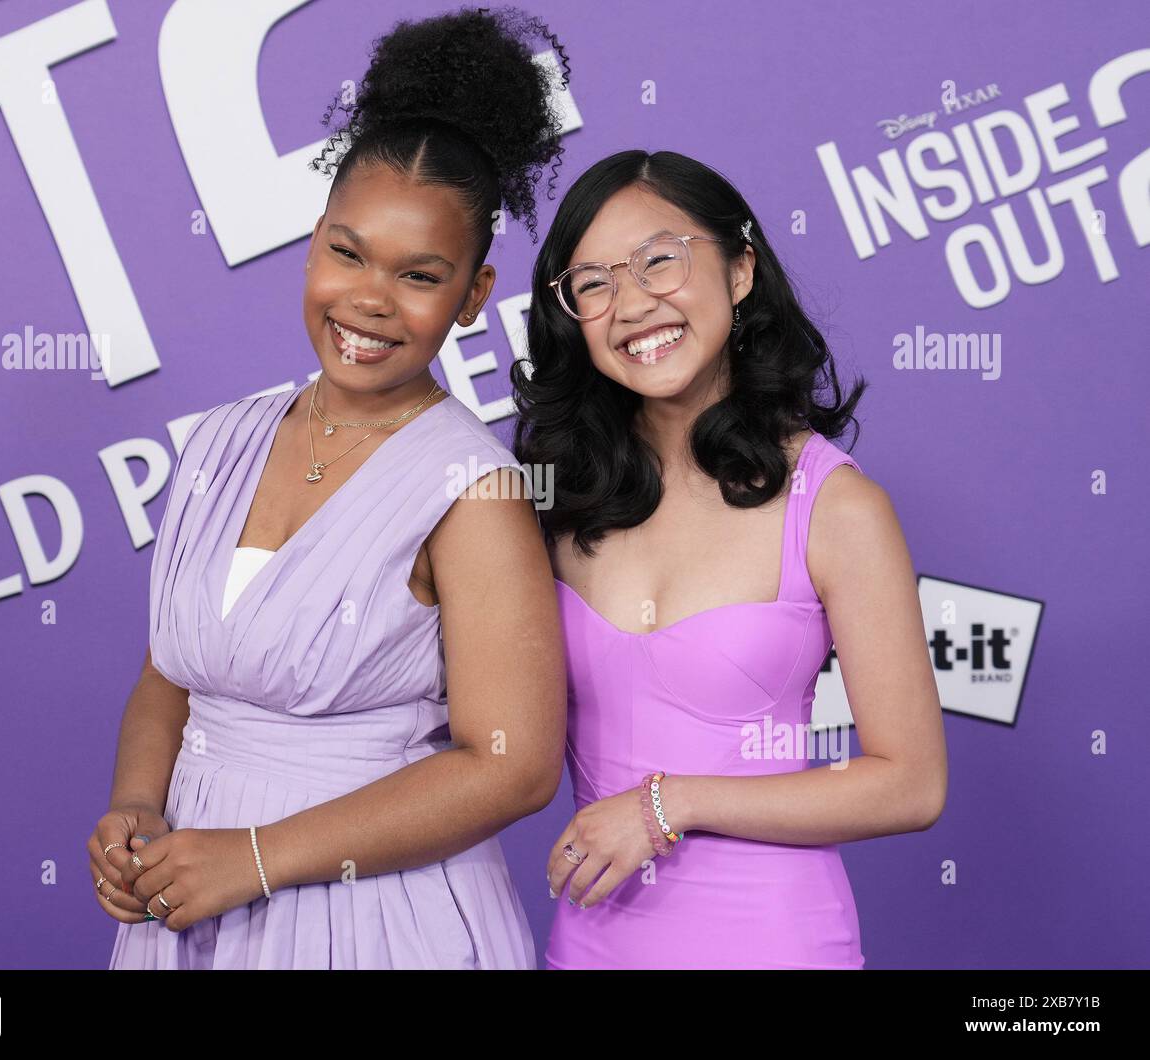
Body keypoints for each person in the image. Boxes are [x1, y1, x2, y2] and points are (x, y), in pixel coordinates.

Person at [92, 6, 571, 970]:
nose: (368, 301)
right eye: (348, 253)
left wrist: (261, 859)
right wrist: (136, 807)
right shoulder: (222, 442)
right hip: (187, 904)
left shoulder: (472, 491)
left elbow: (514, 768)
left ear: (474, 296)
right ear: (314, 241)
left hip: (376, 923)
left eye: (420, 276)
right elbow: (171, 674)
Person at [511, 149, 948, 969]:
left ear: (741, 269)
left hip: (773, 941)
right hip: (590, 944)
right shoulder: (554, 503)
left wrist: (666, 805)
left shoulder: (834, 505)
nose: (633, 303)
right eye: (594, 283)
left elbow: (911, 783)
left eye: (659, 261)